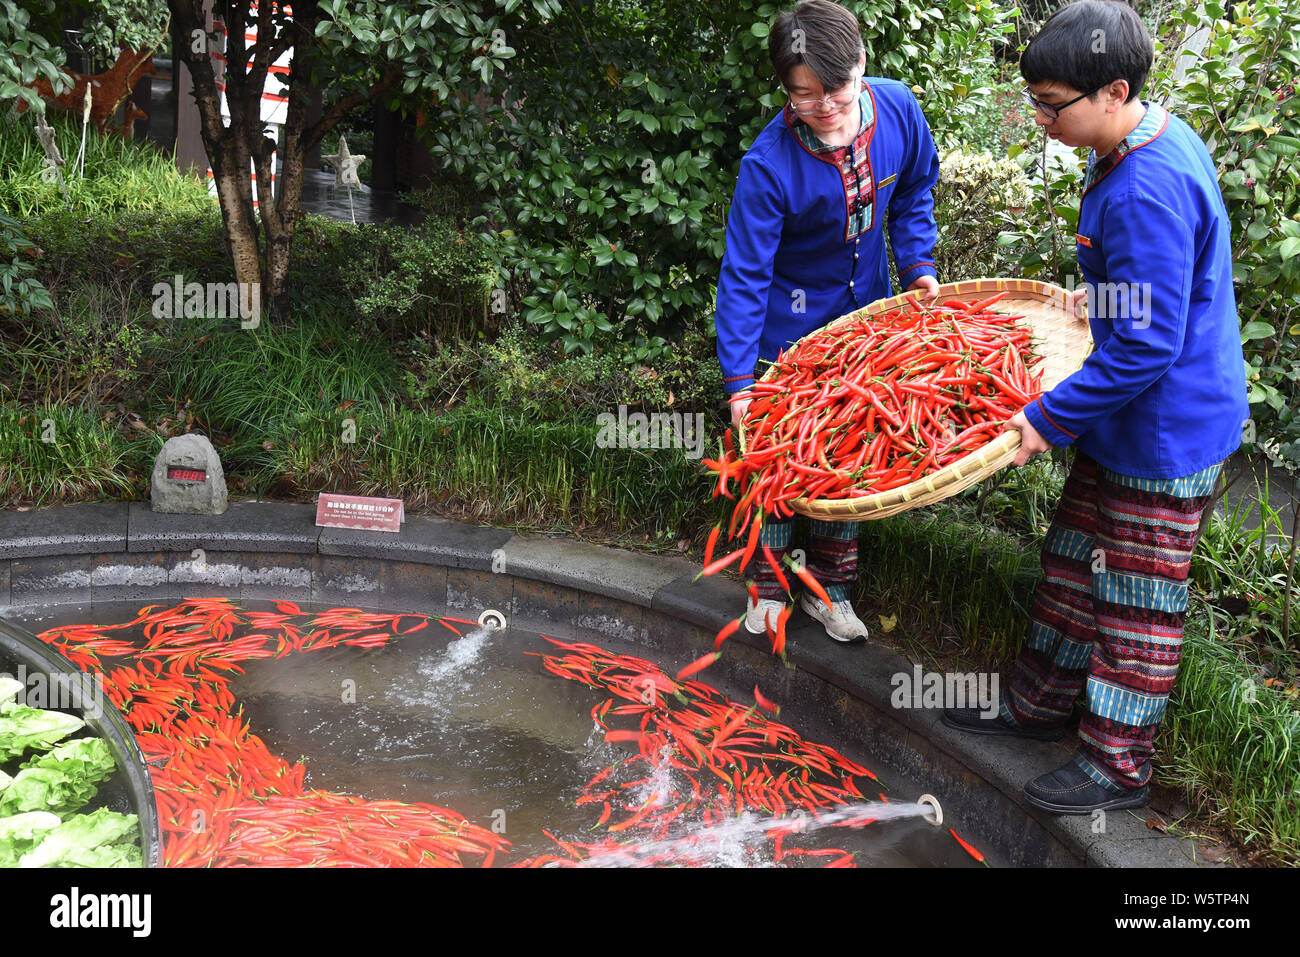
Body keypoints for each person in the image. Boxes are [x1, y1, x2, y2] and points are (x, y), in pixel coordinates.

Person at [942, 0, 1249, 815]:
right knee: (1076, 559)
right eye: (1036, 100)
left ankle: (1119, 761)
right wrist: (1100, 295)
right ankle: (1038, 705)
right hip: (1120, 414)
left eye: (1052, 104)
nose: (1041, 118)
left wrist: (1043, 420)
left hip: (1164, 428)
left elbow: (1149, 347)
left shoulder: (1146, 183)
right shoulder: (1127, 142)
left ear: (1113, 90)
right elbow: (1150, 291)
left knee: (1137, 595)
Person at [715, 0, 940, 645]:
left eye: (836, 92)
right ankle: (766, 593)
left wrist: (919, 263)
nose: (824, 109)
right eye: (804, 96)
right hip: (784, 344)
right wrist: (739, 382)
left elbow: (917, 189)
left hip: (861, 326)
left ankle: (829, 594)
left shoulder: (898, 111)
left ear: (862, 65)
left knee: (847, 463)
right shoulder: (770, 165)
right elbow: (745, 274)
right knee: (777, 471)